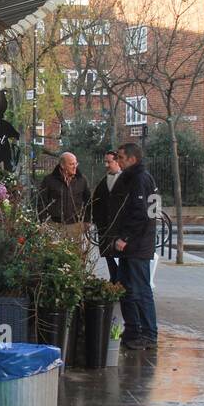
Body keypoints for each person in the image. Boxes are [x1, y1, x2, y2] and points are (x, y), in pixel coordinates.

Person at [106, 142, 158, 350]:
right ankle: (135, 330)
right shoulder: (143, 178)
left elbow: (140, 213)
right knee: (127, 288)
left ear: (132, 159)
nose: (117, 160)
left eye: (120, 157)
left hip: (137, 245)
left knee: (139, 290)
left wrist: (124, 238)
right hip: (139, 243)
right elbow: (153, 210)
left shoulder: (138, 179)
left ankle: (147, 333)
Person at [37, 152, 90, 242]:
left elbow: (88, 201)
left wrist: (87, 221)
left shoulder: (82, 180)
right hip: (54, 225)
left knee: (75, 255)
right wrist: (43, 222)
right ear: (62, 165)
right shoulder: (49, 180)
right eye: (71, 164)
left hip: (75, 226)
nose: (75, 167)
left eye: (75, 163)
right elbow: (41, 202)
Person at [89, 149, 124, 283]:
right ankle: (114, 280)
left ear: (117, 161)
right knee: (108, 255)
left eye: (109, 162)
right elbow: (95, 202)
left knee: (120, 257)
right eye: (105, 162)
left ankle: (119, 282)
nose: (107, 165)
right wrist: (96, 220)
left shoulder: (126, 180)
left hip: (119, 228)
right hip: (104, 227)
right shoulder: (103, 182)